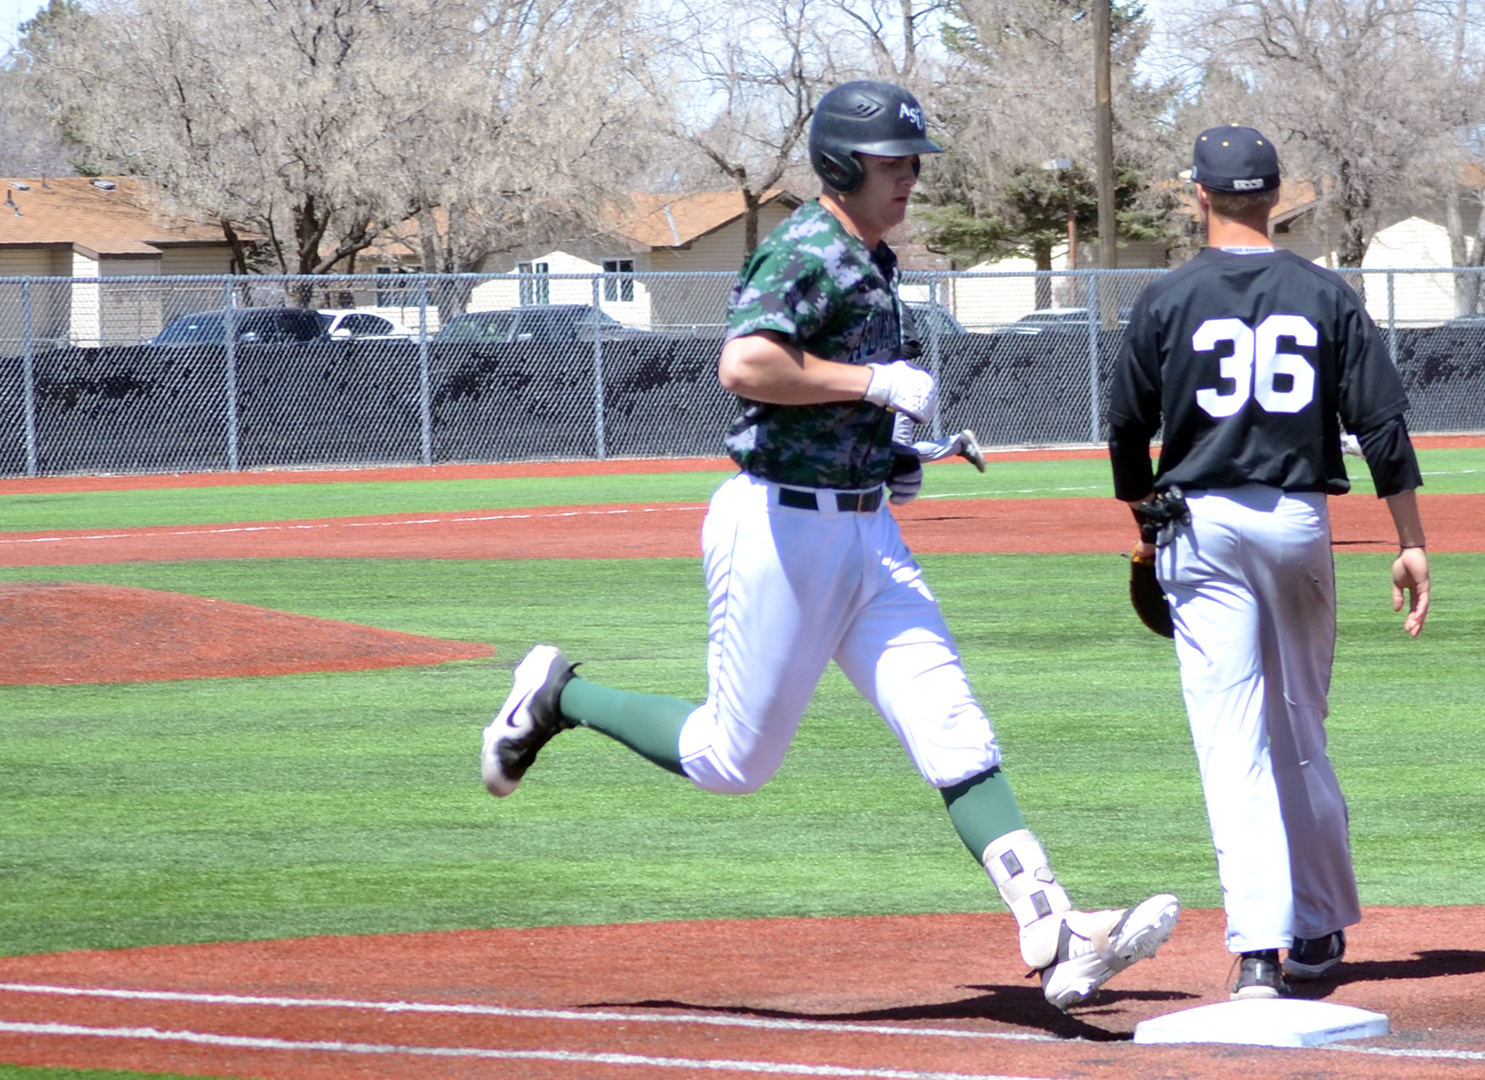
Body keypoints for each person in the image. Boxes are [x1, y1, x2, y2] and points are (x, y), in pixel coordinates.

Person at [480, 80, 1178, 1012]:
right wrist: (878, 382)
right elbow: (747, 363)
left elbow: (834, 398)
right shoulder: (807, 247)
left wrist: (888, 450)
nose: (911, 181)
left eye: (914, 163)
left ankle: (1050, 922)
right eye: (896, 164)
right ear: (845, 165)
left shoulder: (873, 254)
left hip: (864, 530)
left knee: (951, 722)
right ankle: (559, 696)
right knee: (732, 763)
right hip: (780, 529)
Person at [1106, 126, 1430, 1000]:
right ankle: (1318, 930)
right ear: (1277, 196)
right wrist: (1409, 539)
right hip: (1297, 519)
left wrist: (1143, 517)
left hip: (1200, 524)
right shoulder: (1325, 292)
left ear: (1198, 195)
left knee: (1232, 741)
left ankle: (1257, 948)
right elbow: (1383, 426)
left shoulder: (1168, 296)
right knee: (1298, 732)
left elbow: (1127, 429)